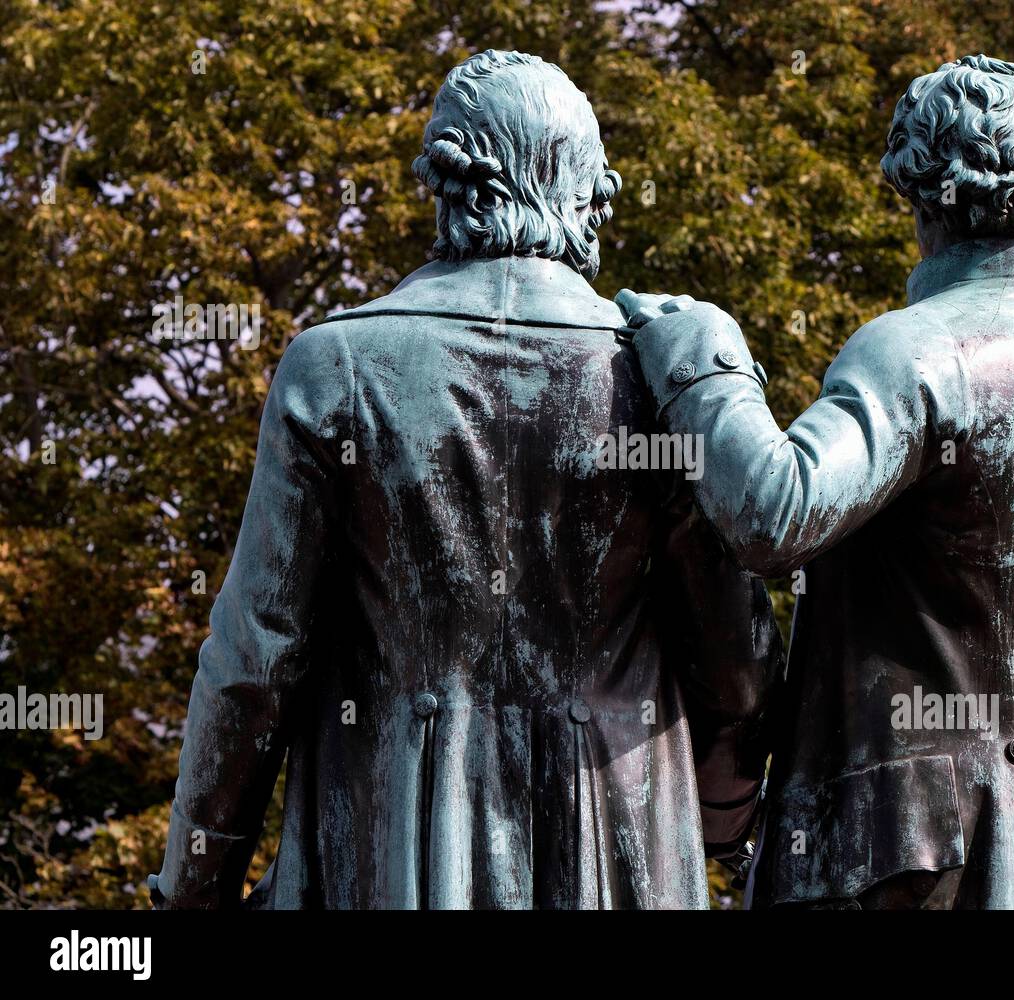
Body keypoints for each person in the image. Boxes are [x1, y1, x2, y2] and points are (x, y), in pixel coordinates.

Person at [153, 49, 780, 910]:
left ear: (448, 184)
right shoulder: (658, 377)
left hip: (389, 851)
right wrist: (719, 818)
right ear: (578, 192)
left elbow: (254, 661)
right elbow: (736, 664)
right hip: (622, 846)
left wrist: (196, 881)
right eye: (600, 191)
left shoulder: (333, 368)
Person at [617, 55, 1014, 909]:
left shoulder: (920, 351)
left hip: (925, 853)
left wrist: (701, 359)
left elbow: (773, 512)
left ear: (922, 189)